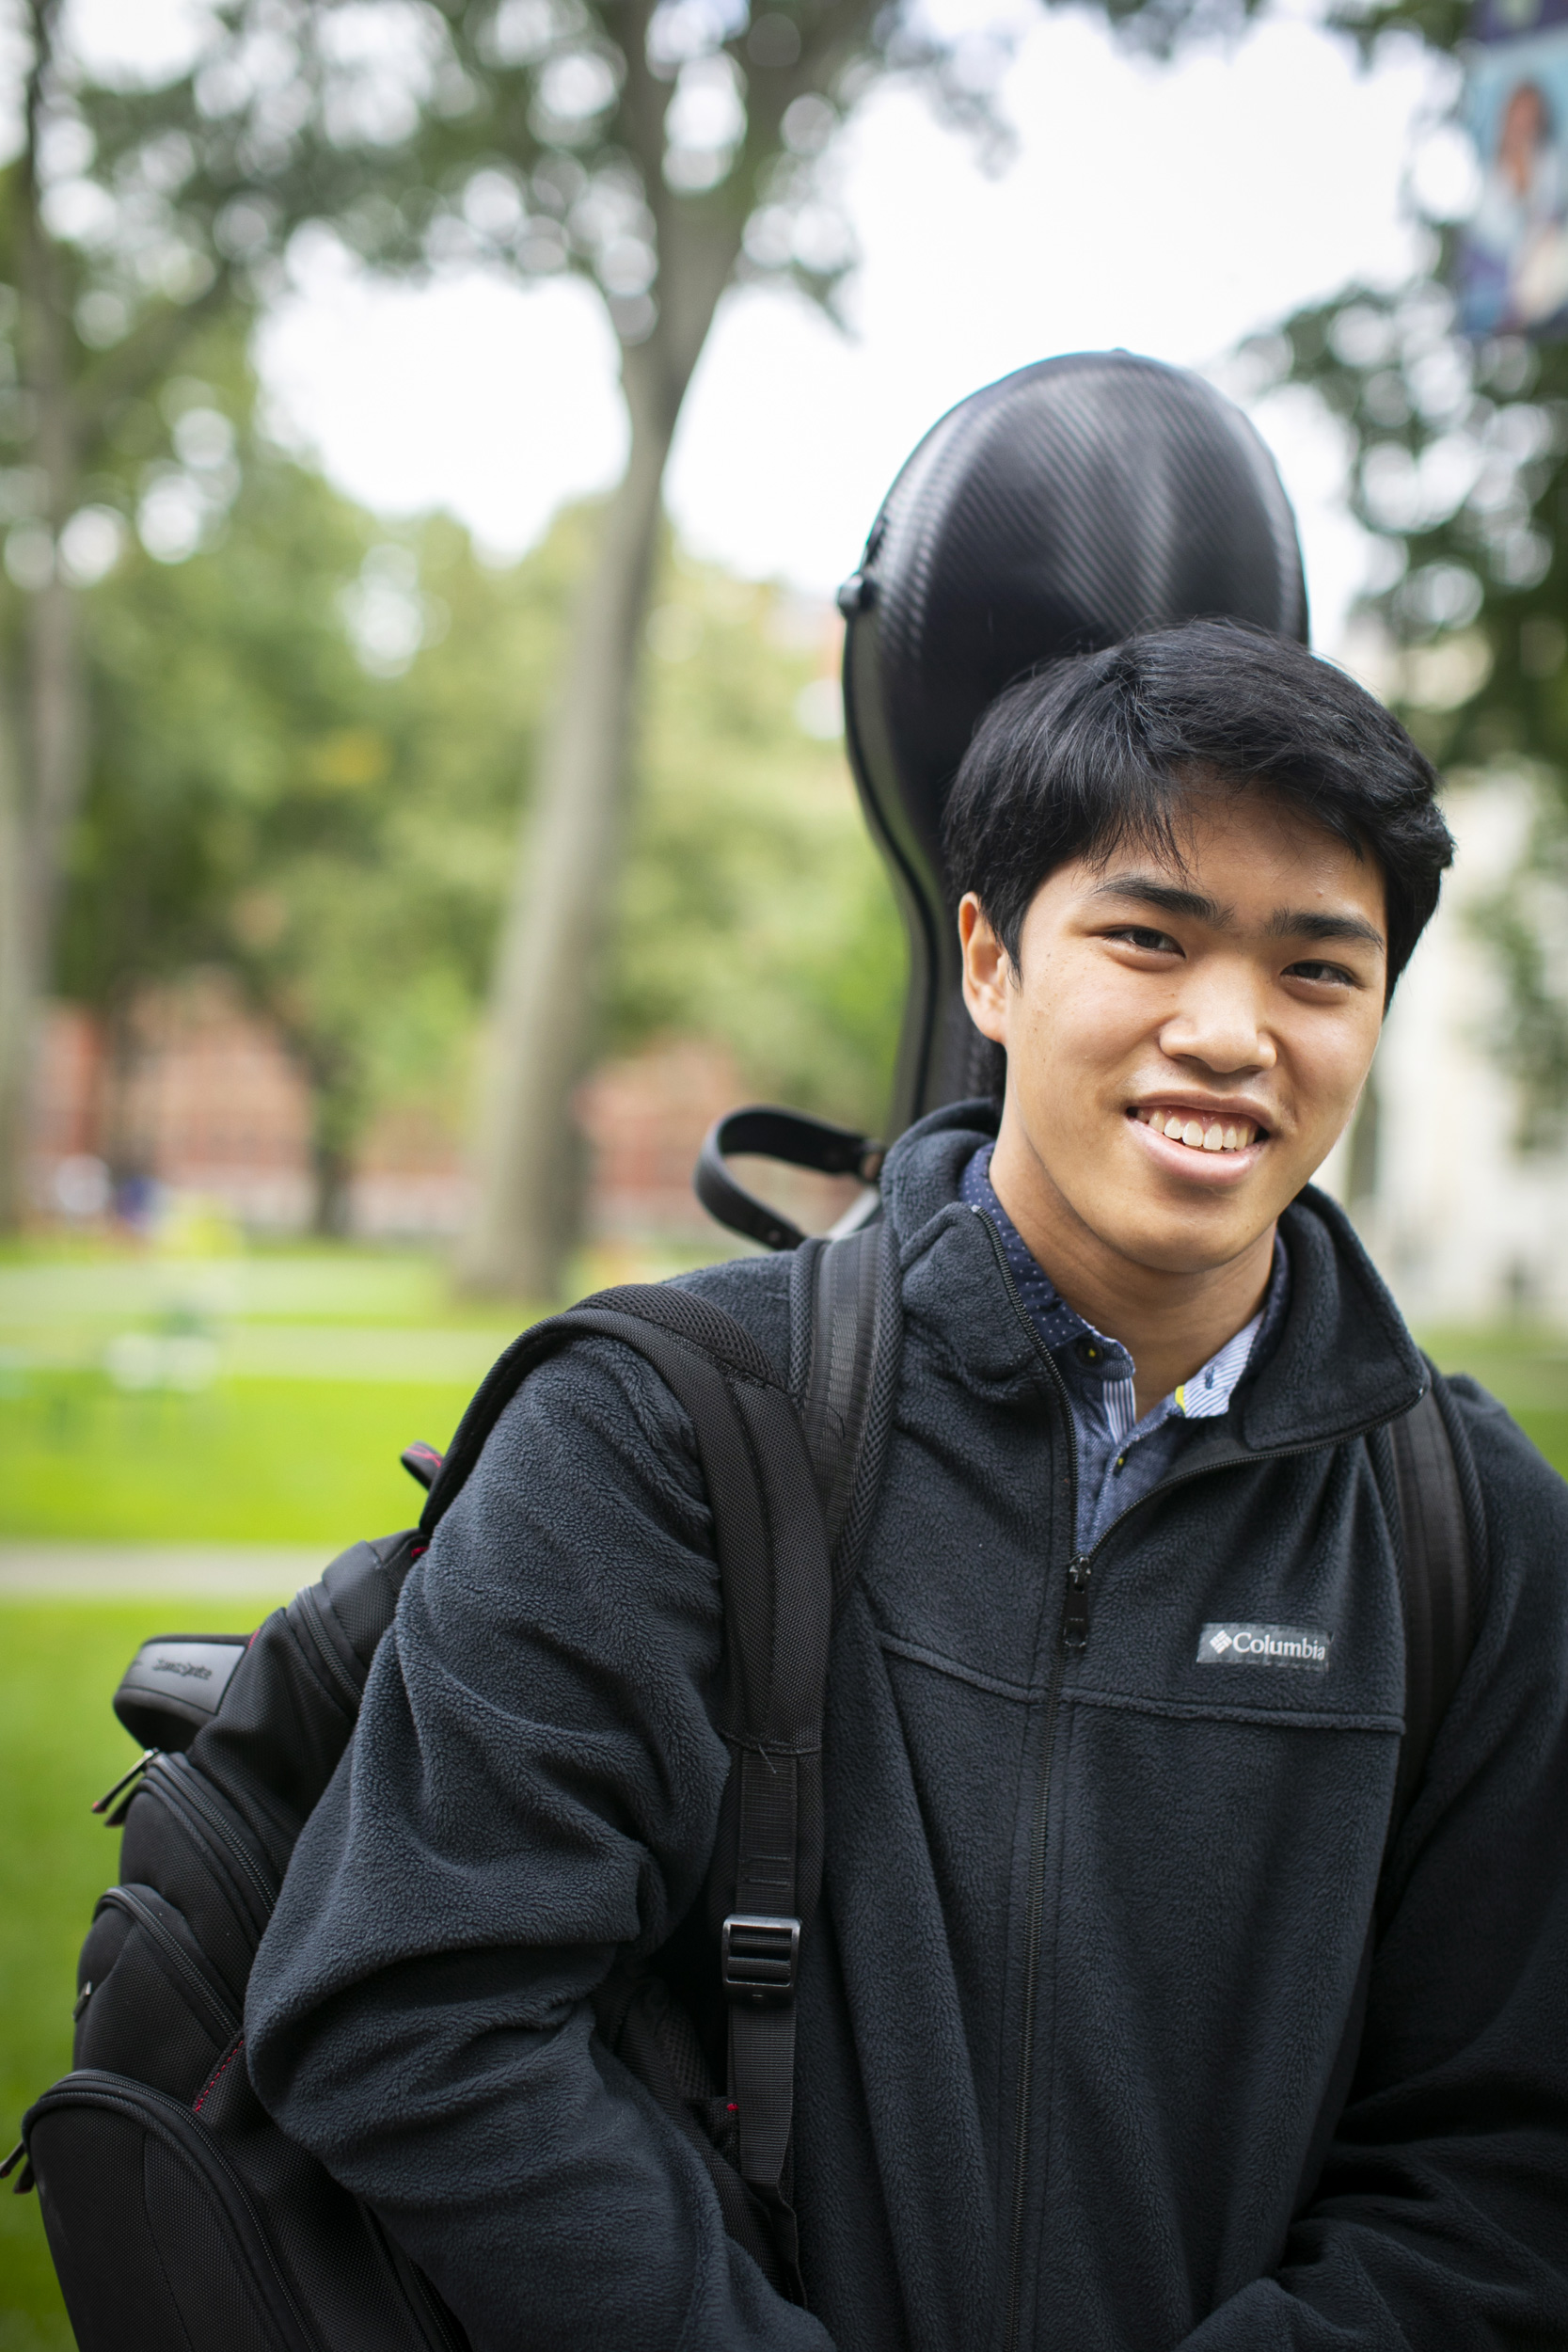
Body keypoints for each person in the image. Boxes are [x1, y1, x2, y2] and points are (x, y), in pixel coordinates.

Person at [245, 619, 1568, 2350]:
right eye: (1148, 938)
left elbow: (1505, 2160)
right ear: (991, 963)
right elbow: (414, 2009)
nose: (1230, 1032)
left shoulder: (1471, 1533)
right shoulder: (665, 1429)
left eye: (1319, 970)